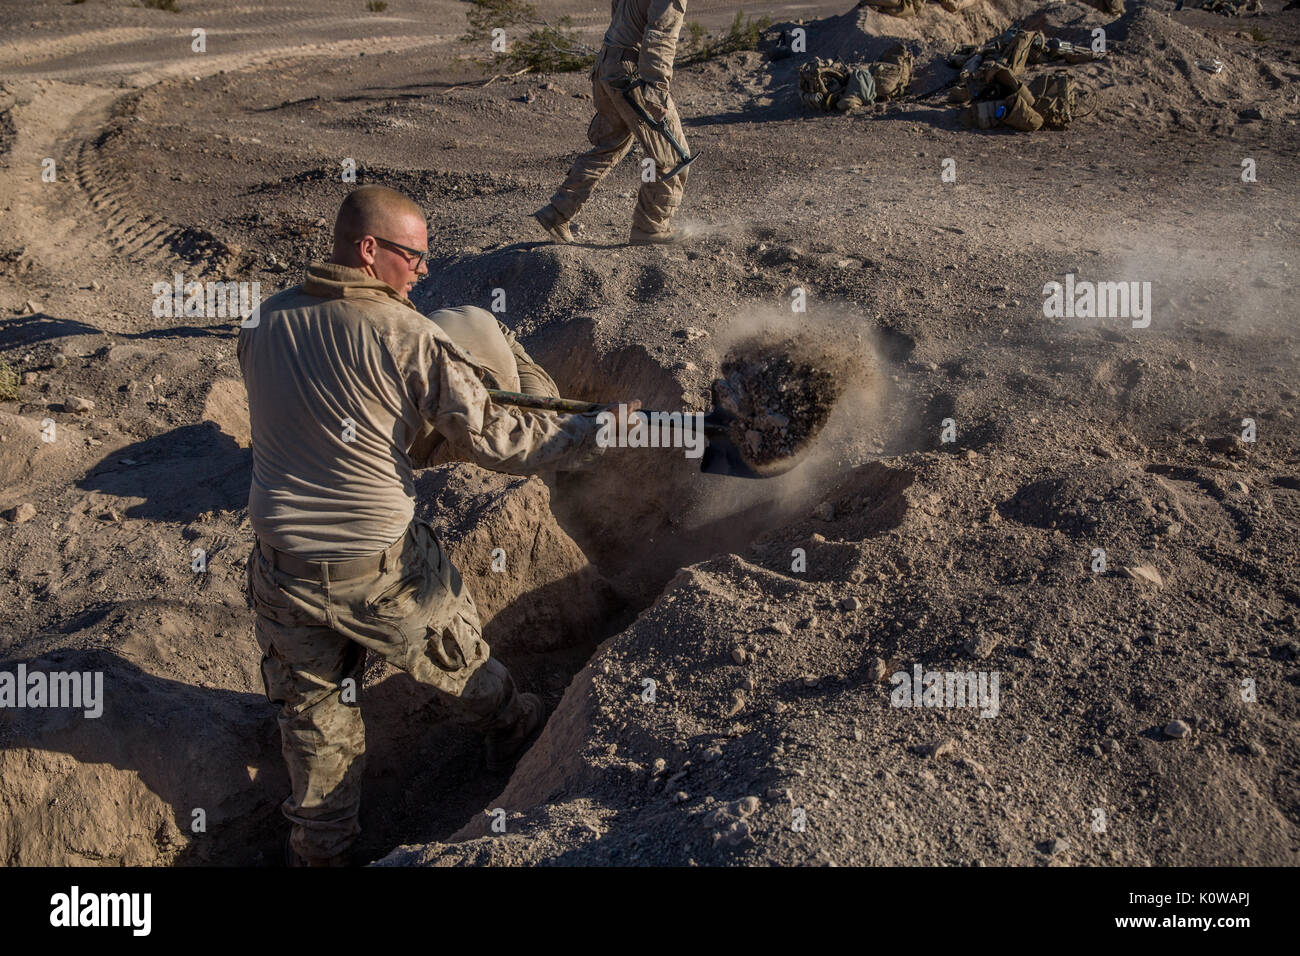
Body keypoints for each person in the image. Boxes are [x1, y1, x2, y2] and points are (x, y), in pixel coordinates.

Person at [238, 184, 633, 866]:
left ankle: (322, 851)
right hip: (378, 566)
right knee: (455, 648)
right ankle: (511, 729)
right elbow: (500, 443)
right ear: (369, 250)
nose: (422, 271)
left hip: (282, 569)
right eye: (413, 257)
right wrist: (592, 434)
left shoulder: (263, 320)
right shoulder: (405, 334)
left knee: (314, 724)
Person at [533, 0, 692, 246]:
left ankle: (557, 213)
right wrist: (656, 90)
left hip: (608, 61)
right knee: (670, 153)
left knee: (609, 146)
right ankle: (650, 228)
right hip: (630, 72)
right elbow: (660, 35)